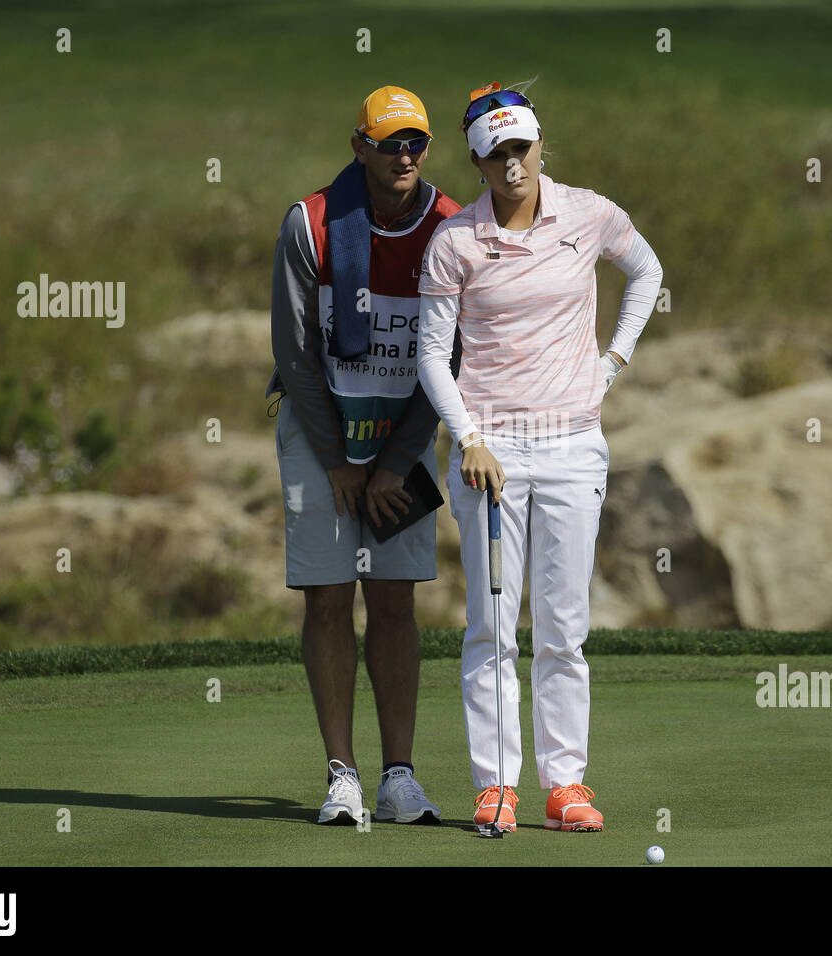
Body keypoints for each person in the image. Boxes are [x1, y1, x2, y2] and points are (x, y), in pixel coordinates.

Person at [416, 81, 663, 832]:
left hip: (573, 446)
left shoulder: (587, 214)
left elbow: (646, 273)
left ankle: (566, 785)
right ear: (477, 161)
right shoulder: (456, 240)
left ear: (539, 143)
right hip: (489, 452)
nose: (512, 165)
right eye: (496, 155)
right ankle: (496, 785)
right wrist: (470, 438)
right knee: (491, 625)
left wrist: (612, 362)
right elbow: (431, 356)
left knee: (563, 626)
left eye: (521, 148)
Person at [266, 86, 462, 825]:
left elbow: (454, 354)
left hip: (404, 438)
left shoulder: (450, 226)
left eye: (414, 140)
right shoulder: (311, 223)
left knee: (394, 599)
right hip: (321, 435)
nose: (403, 154)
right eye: (388, 142)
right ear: (359, 147)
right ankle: (342, 775)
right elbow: (294, 351)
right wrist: (340, 461)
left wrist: (391, 462)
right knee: (326, 599)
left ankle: (399, 777)